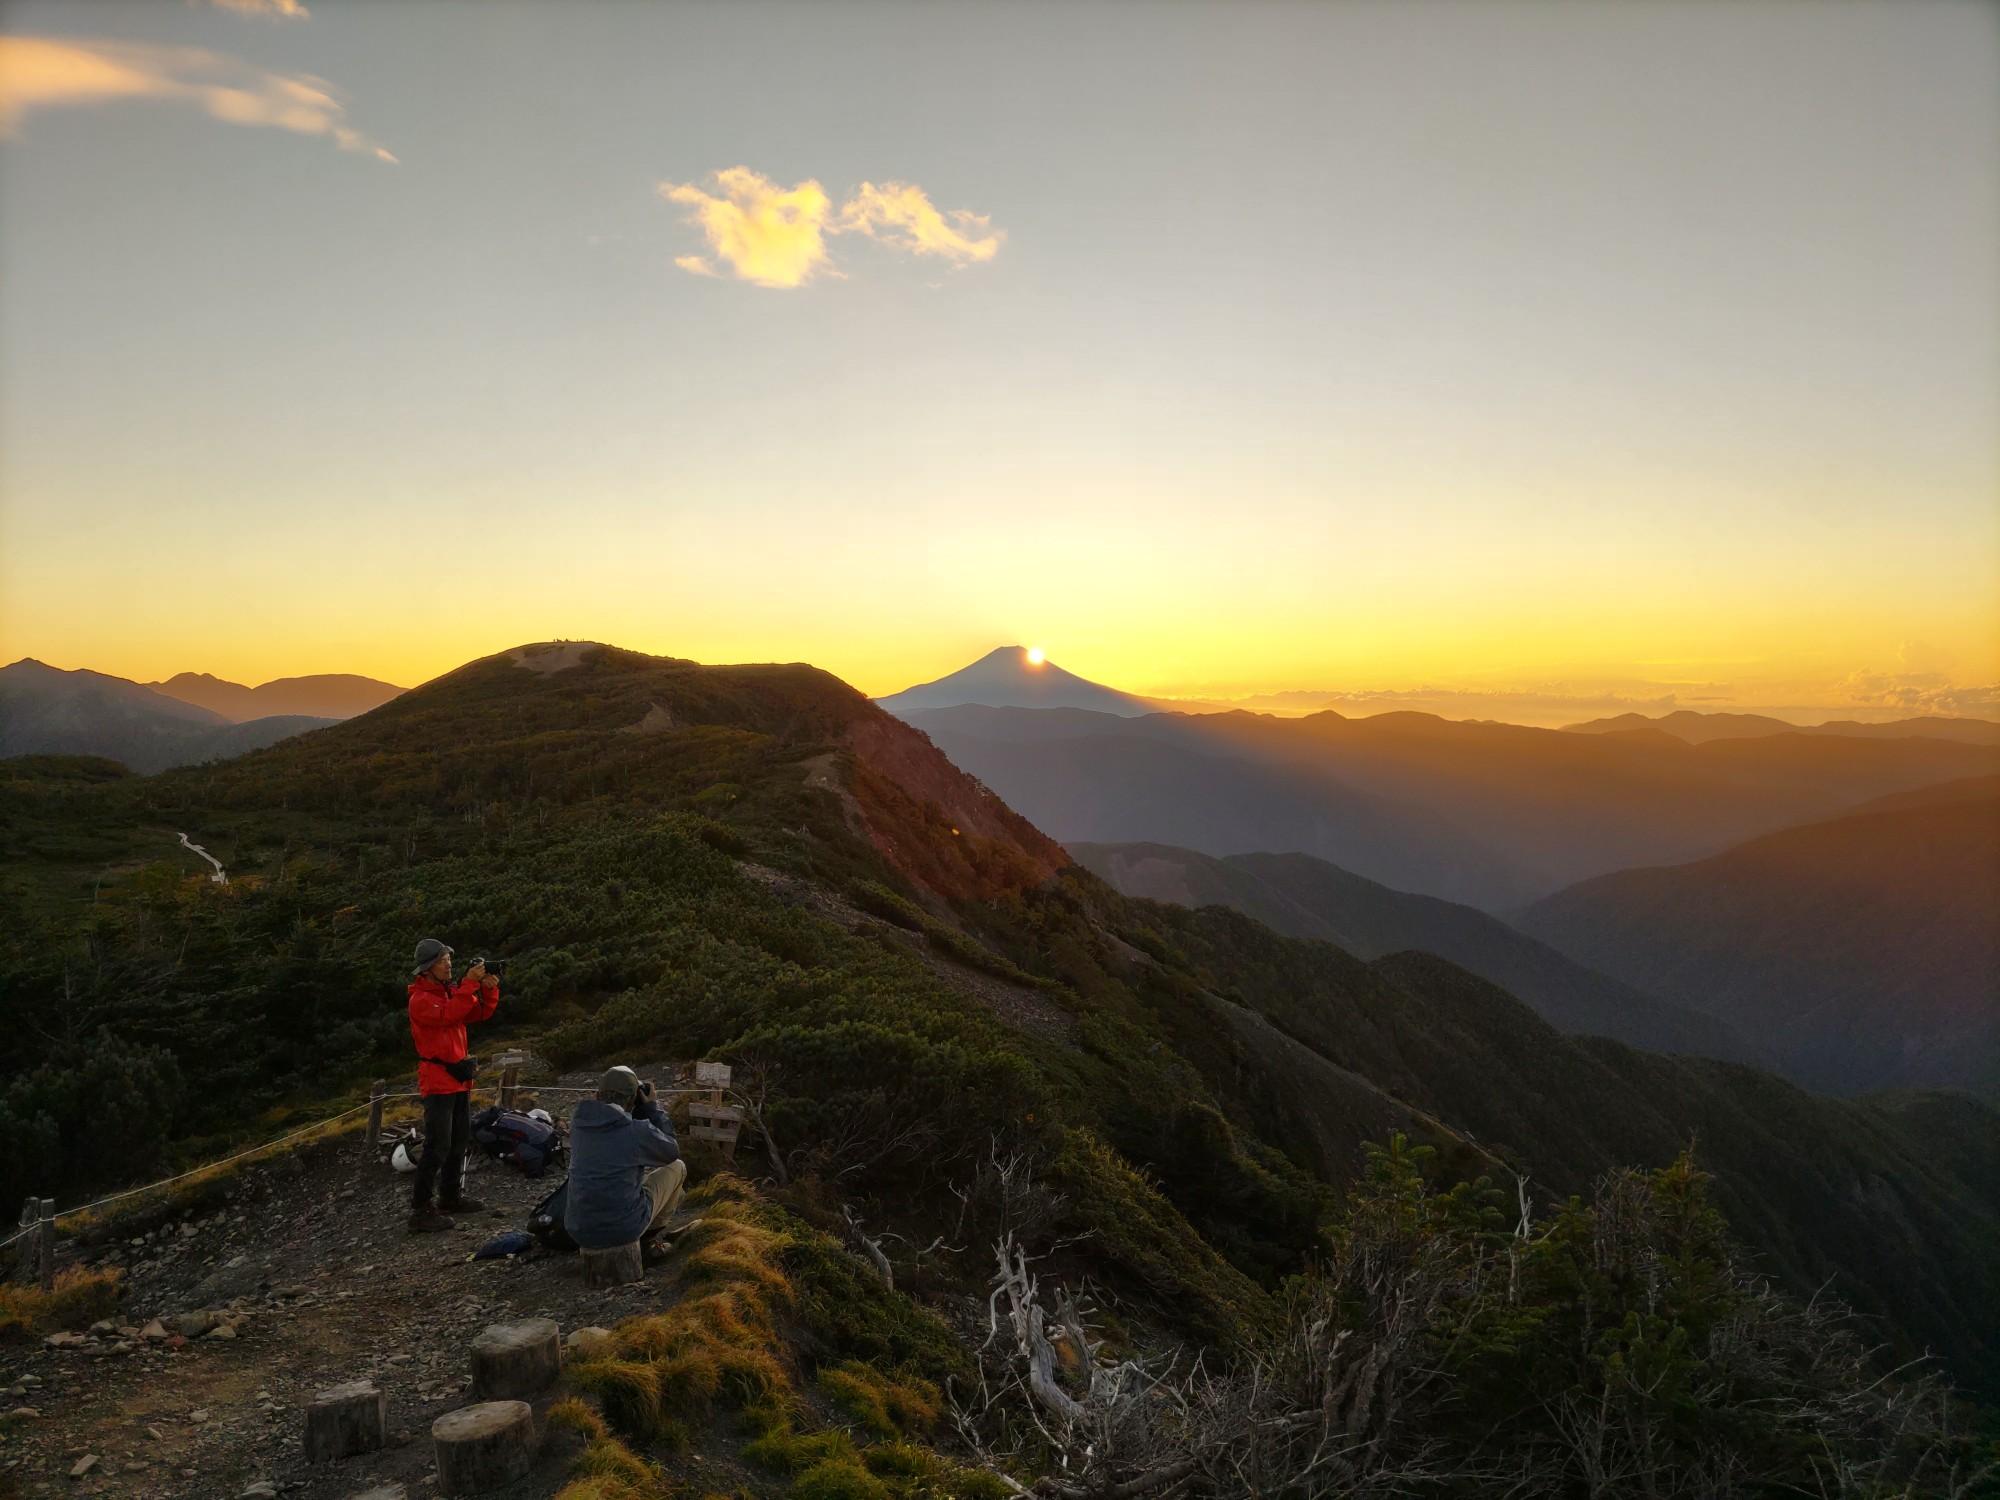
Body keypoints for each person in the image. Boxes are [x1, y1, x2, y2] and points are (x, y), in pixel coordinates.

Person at [406, 939, 500, 1233]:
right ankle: (420, 1210)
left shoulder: (449, 993)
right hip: (437, 1081)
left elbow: (478, 1013)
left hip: (458, 1077)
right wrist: (469, 985)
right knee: (437, 1145)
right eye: (443, 960)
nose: (449, 964)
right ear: (427, 969)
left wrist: (487, 989)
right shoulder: (421, 1000)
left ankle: (449, 1197)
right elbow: (449, 1015)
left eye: (449, 959)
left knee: (459, 1140)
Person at [565, 1065, 686, 1255]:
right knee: (677, 1167)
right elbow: (670, 1151)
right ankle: (649, 1241)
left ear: (597, 1095)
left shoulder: (579, 1124)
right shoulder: (636, 1131)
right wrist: (652, 1109)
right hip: (623, 1229)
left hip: (578, 1227)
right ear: (633, 1098)